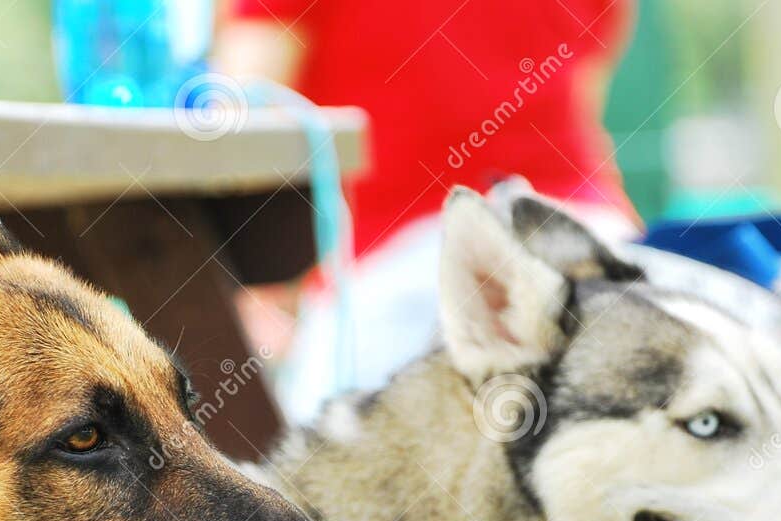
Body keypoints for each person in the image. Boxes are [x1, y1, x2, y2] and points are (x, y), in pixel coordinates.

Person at [218, 0, 641, 421]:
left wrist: (268, 294)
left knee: (303, 462)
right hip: (594, 239)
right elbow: (585, 93)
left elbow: (244, 127)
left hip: (394, 265)